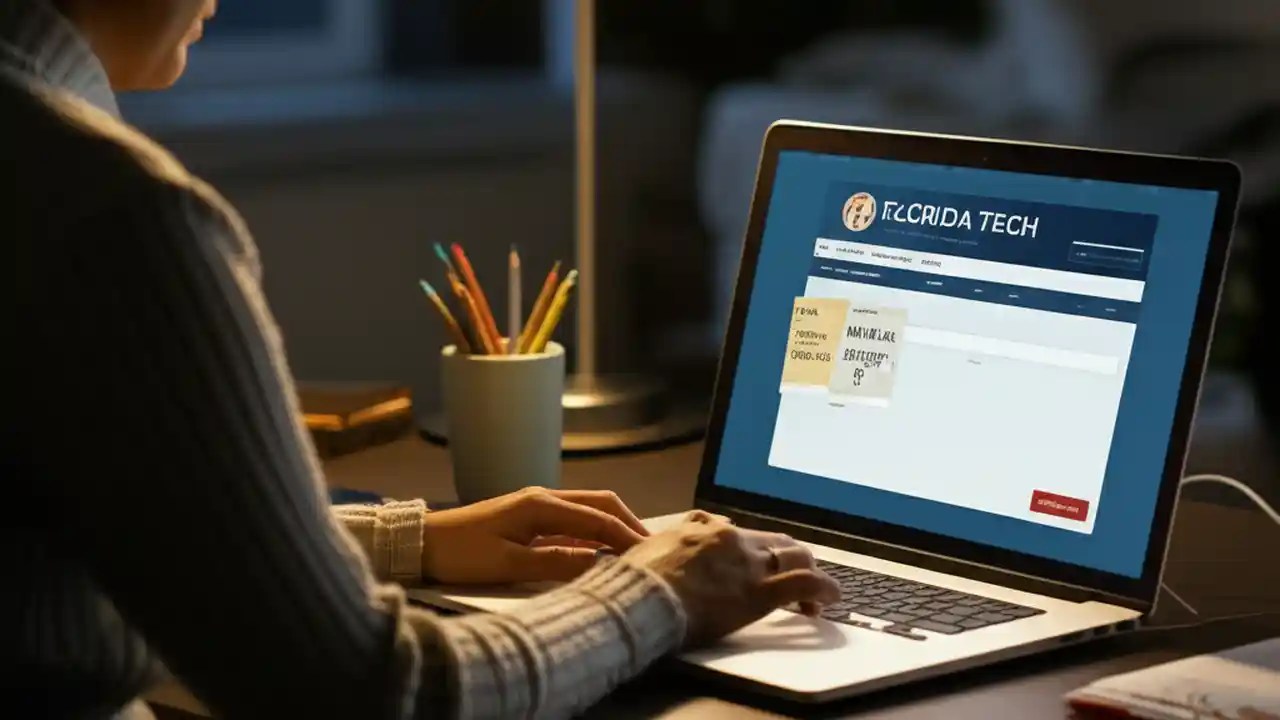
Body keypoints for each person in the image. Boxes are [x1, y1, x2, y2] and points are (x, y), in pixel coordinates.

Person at [2, 1, 841, 718]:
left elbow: (103, 521)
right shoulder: (115, 219)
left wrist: (414, 540)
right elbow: (370, 692)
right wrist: (658, 597)